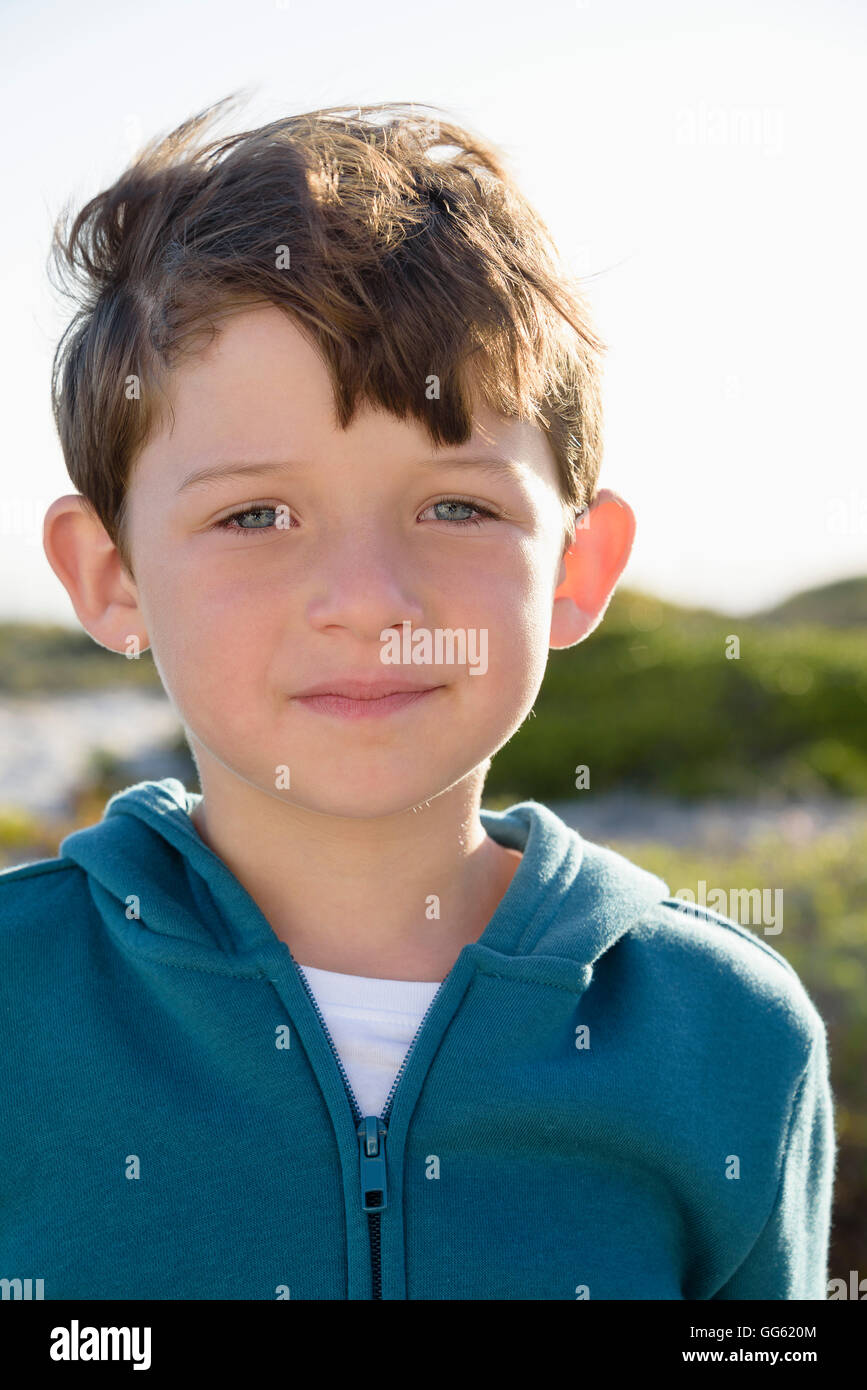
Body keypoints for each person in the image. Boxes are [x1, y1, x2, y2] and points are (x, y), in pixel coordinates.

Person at [1, 96, 835, 1299]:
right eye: (255, 515)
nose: (367, 597)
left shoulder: (728, 1041)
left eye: (456, 506)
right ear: (111, 575)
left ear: (578, 571)